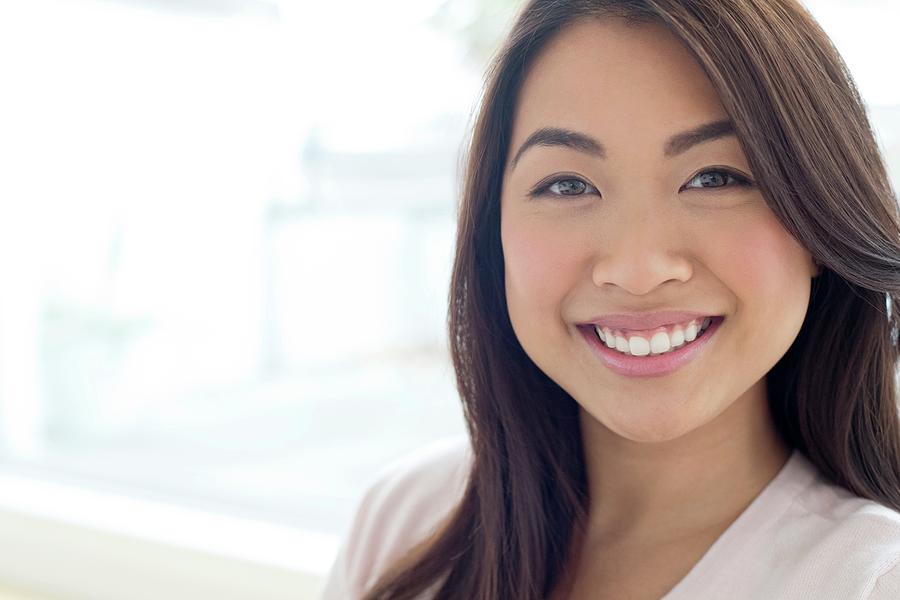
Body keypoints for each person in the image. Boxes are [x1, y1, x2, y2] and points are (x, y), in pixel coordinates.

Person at [320, 0, 900, 598]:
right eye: (567, 184)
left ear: (819, 222)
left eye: (714, 177)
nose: (637, 270)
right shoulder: (404, 523)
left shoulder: (869, 580)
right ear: (493, 234)